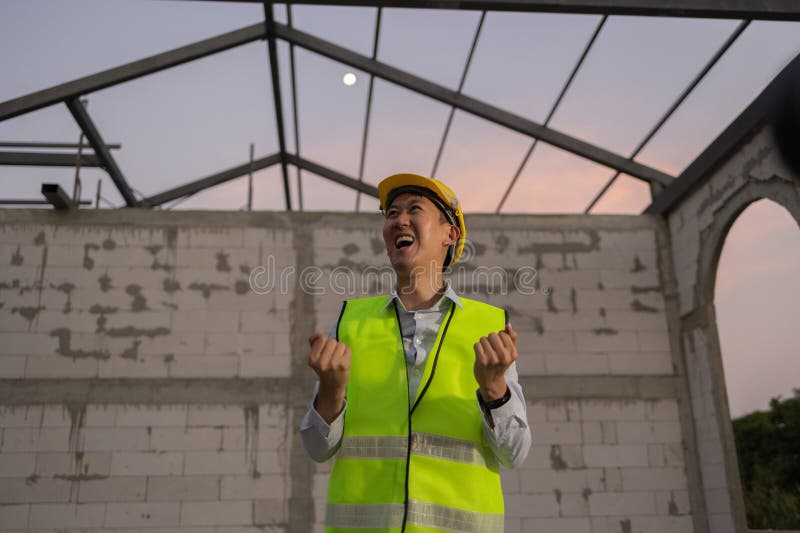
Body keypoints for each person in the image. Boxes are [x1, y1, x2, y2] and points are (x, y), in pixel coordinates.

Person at [300, 173, 531, 532]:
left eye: (414, 209)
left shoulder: (488, 329)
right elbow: (316, 448)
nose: (398, 220)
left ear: (449, 234)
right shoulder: (351, 324)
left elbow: (514, 452)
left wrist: (495, 390)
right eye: (392, 213)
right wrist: (330, 391)